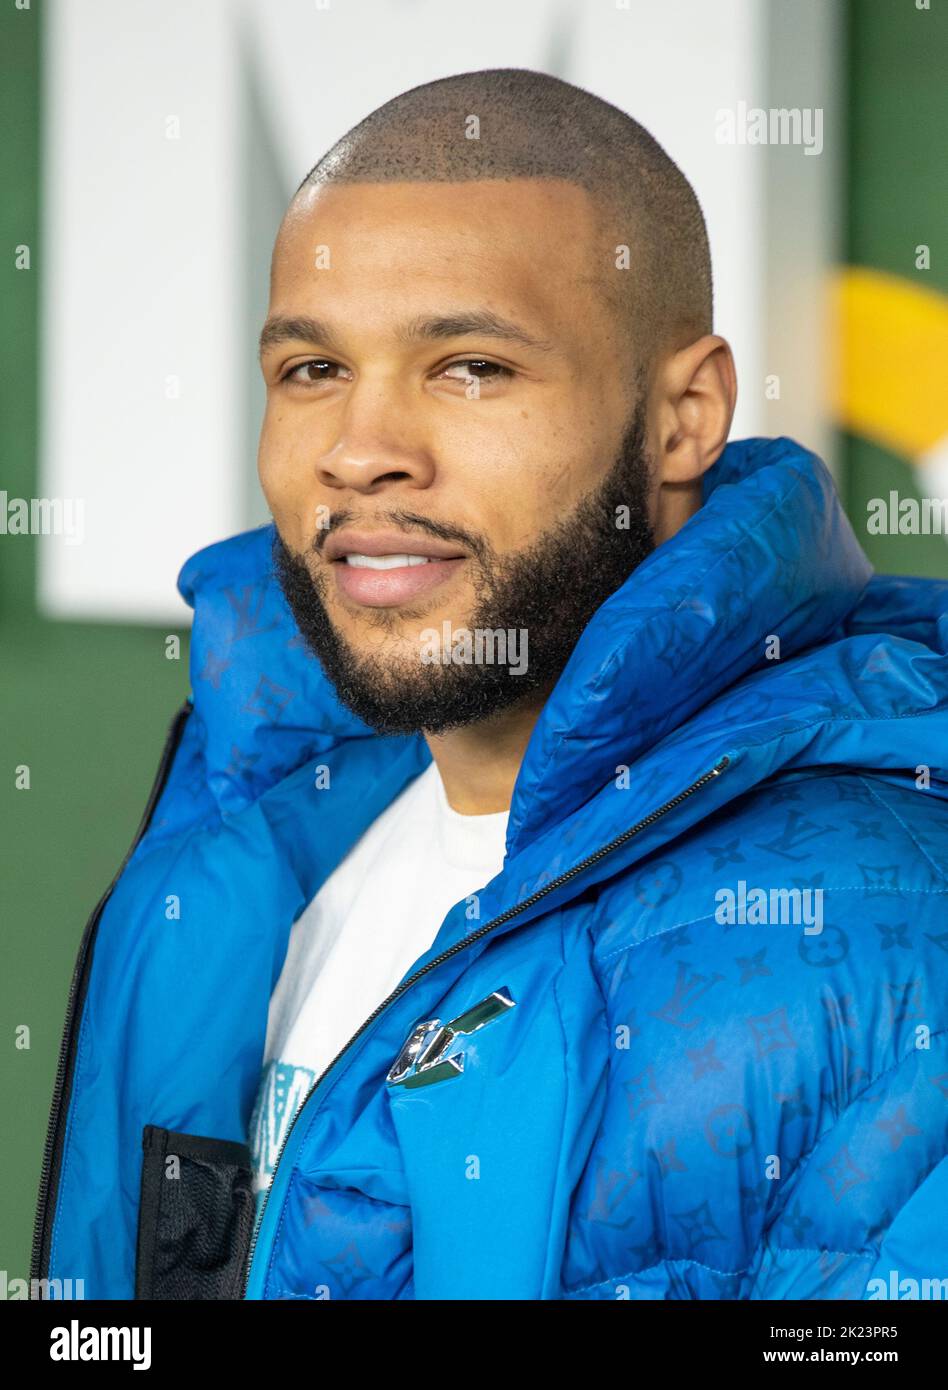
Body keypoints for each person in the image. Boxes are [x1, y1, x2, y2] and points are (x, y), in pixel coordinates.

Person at [33, 68, 948, 1302]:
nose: (361, 450)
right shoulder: (249, 833)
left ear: (684, 418)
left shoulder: (896, 928)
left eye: (468, 367)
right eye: (312, 369)